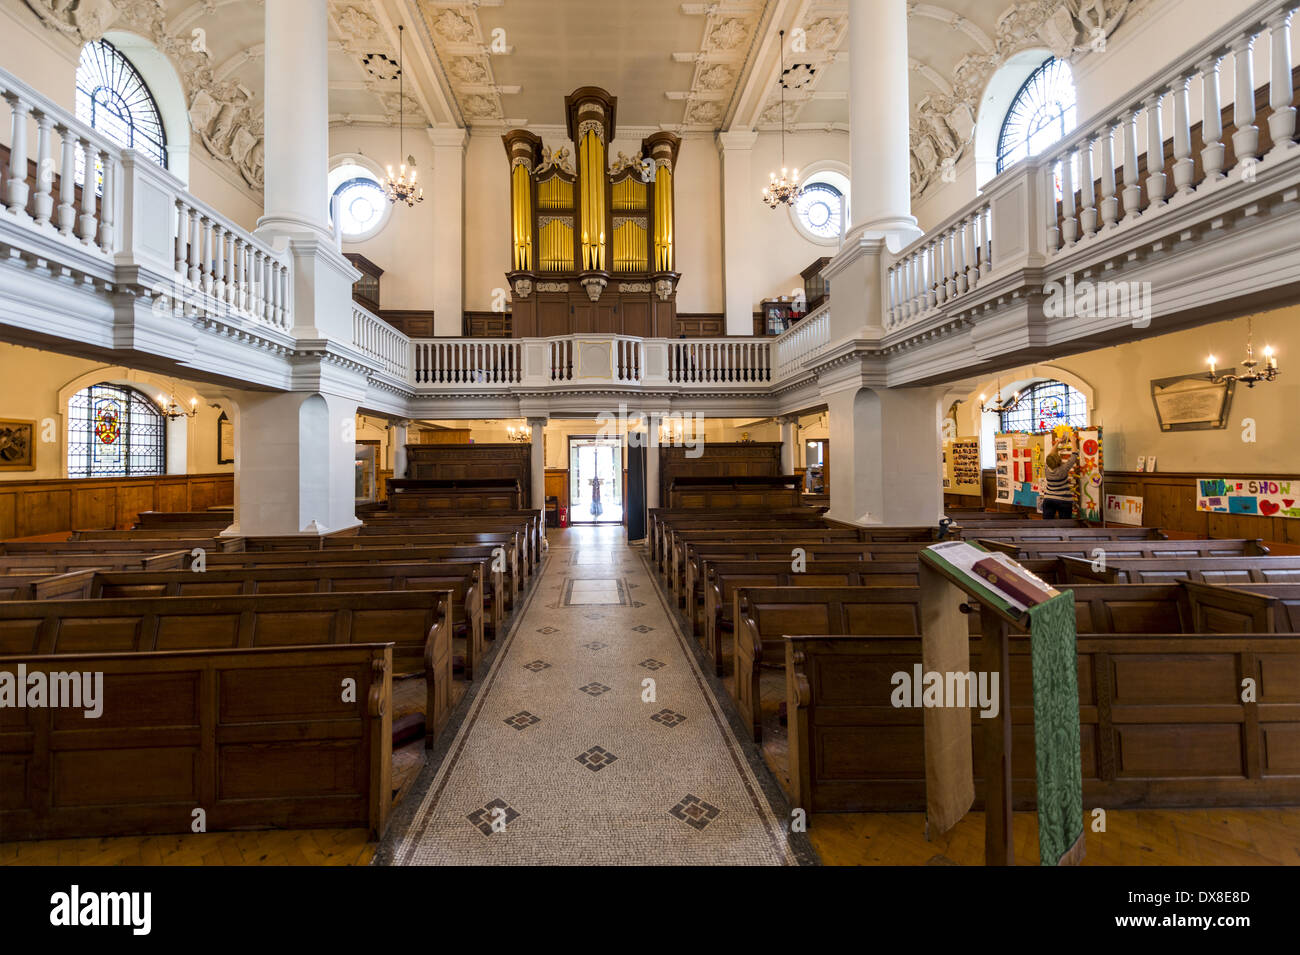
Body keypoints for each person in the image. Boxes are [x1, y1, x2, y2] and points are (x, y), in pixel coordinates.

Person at [1040, 450, 1076, 520]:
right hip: (1064, 500)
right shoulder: (1063, 469)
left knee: (1047, 524)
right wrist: (1072, 439)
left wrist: (1058, 442)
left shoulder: (1046, 468)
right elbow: (1074, 455)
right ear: (1059, 460)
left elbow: (1050, 454)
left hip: (1048, 499)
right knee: (1065, 525)